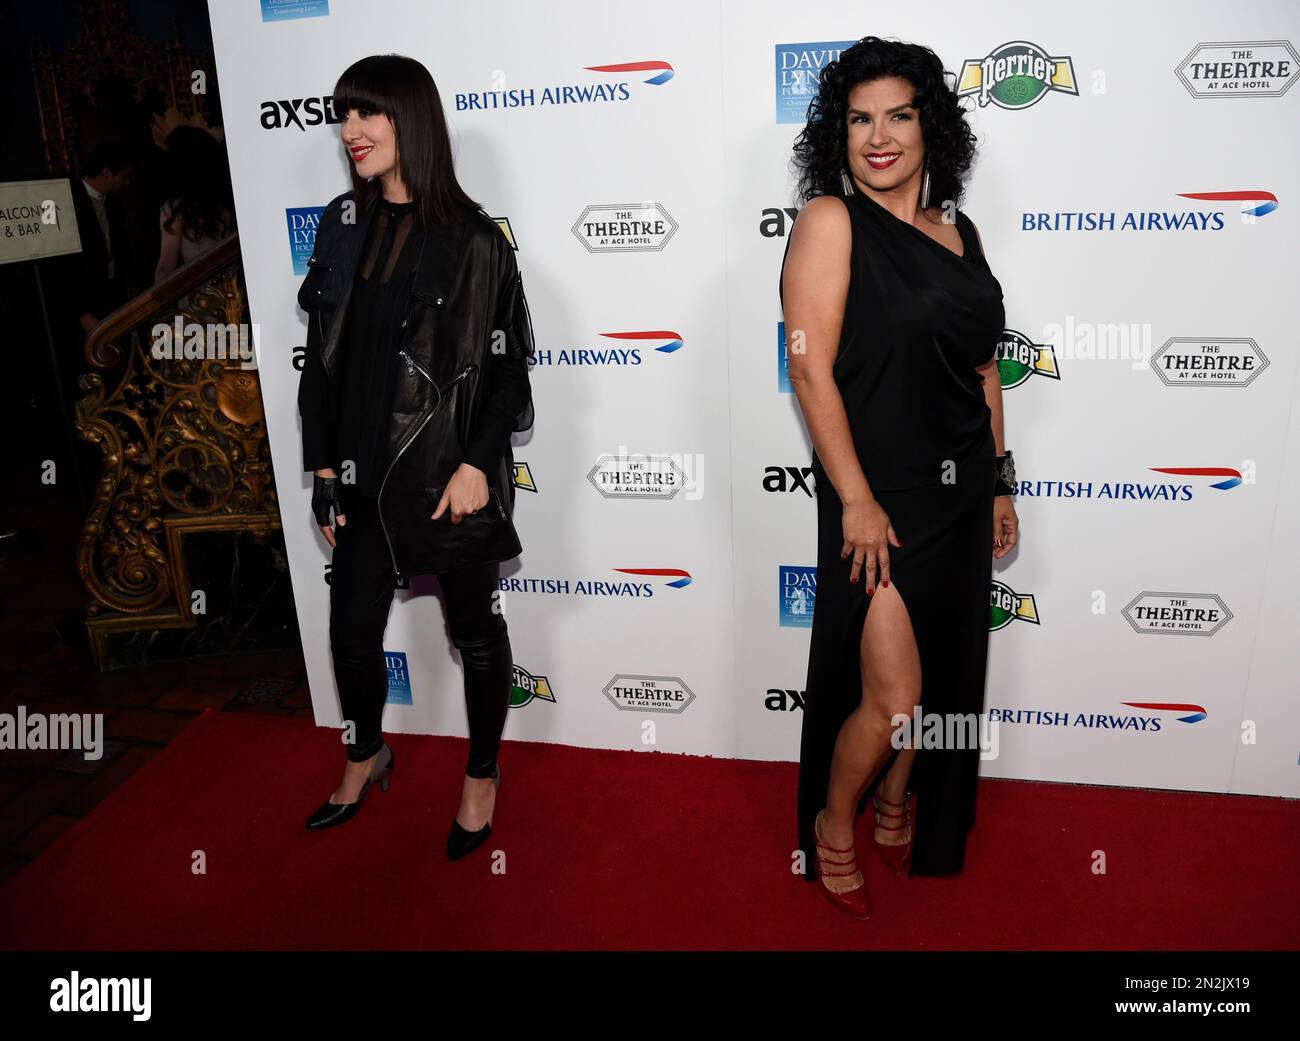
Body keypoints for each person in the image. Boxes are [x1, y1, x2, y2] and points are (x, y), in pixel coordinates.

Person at [780, 36, 1020, 919]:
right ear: (837, 135)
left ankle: (895, 800)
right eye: (858, 120)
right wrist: (857, 501)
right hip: (874, 498)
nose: (878, 137)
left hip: (959, 495)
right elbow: (810, 370)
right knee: (897, 692)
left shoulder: (960, 233)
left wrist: (998, 479)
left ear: (931, 129)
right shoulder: (829, 222)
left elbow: (985, 371)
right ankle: (833, 820)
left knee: (943, 677)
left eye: (899, 116)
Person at [296, 54, 535, 860]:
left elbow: (507, 367)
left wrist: (476, 462)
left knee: (473, 631)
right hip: (360, 475)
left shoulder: (471, 240)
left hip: (442, 478)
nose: (351, 131)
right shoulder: (340, 224)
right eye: (344, 115)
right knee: (352, 635)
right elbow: (320, 356)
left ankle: (481, 772)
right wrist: (323, 467)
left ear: (412, 122)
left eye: (369, 114)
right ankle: (366, 753)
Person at [153, 125, 237, 282]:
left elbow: (165, 267)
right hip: (236, 291)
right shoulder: (233, 198)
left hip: (200, 299)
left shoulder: (174, 210)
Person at [70, 141, 135, 339]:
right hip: (86, 302)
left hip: (114, 296)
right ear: (106, 172)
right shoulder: (69, 200)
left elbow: (120, 248)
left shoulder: (113, 201)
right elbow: (65, 266)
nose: (127, 183)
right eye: (124, 177)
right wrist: (82, 312)